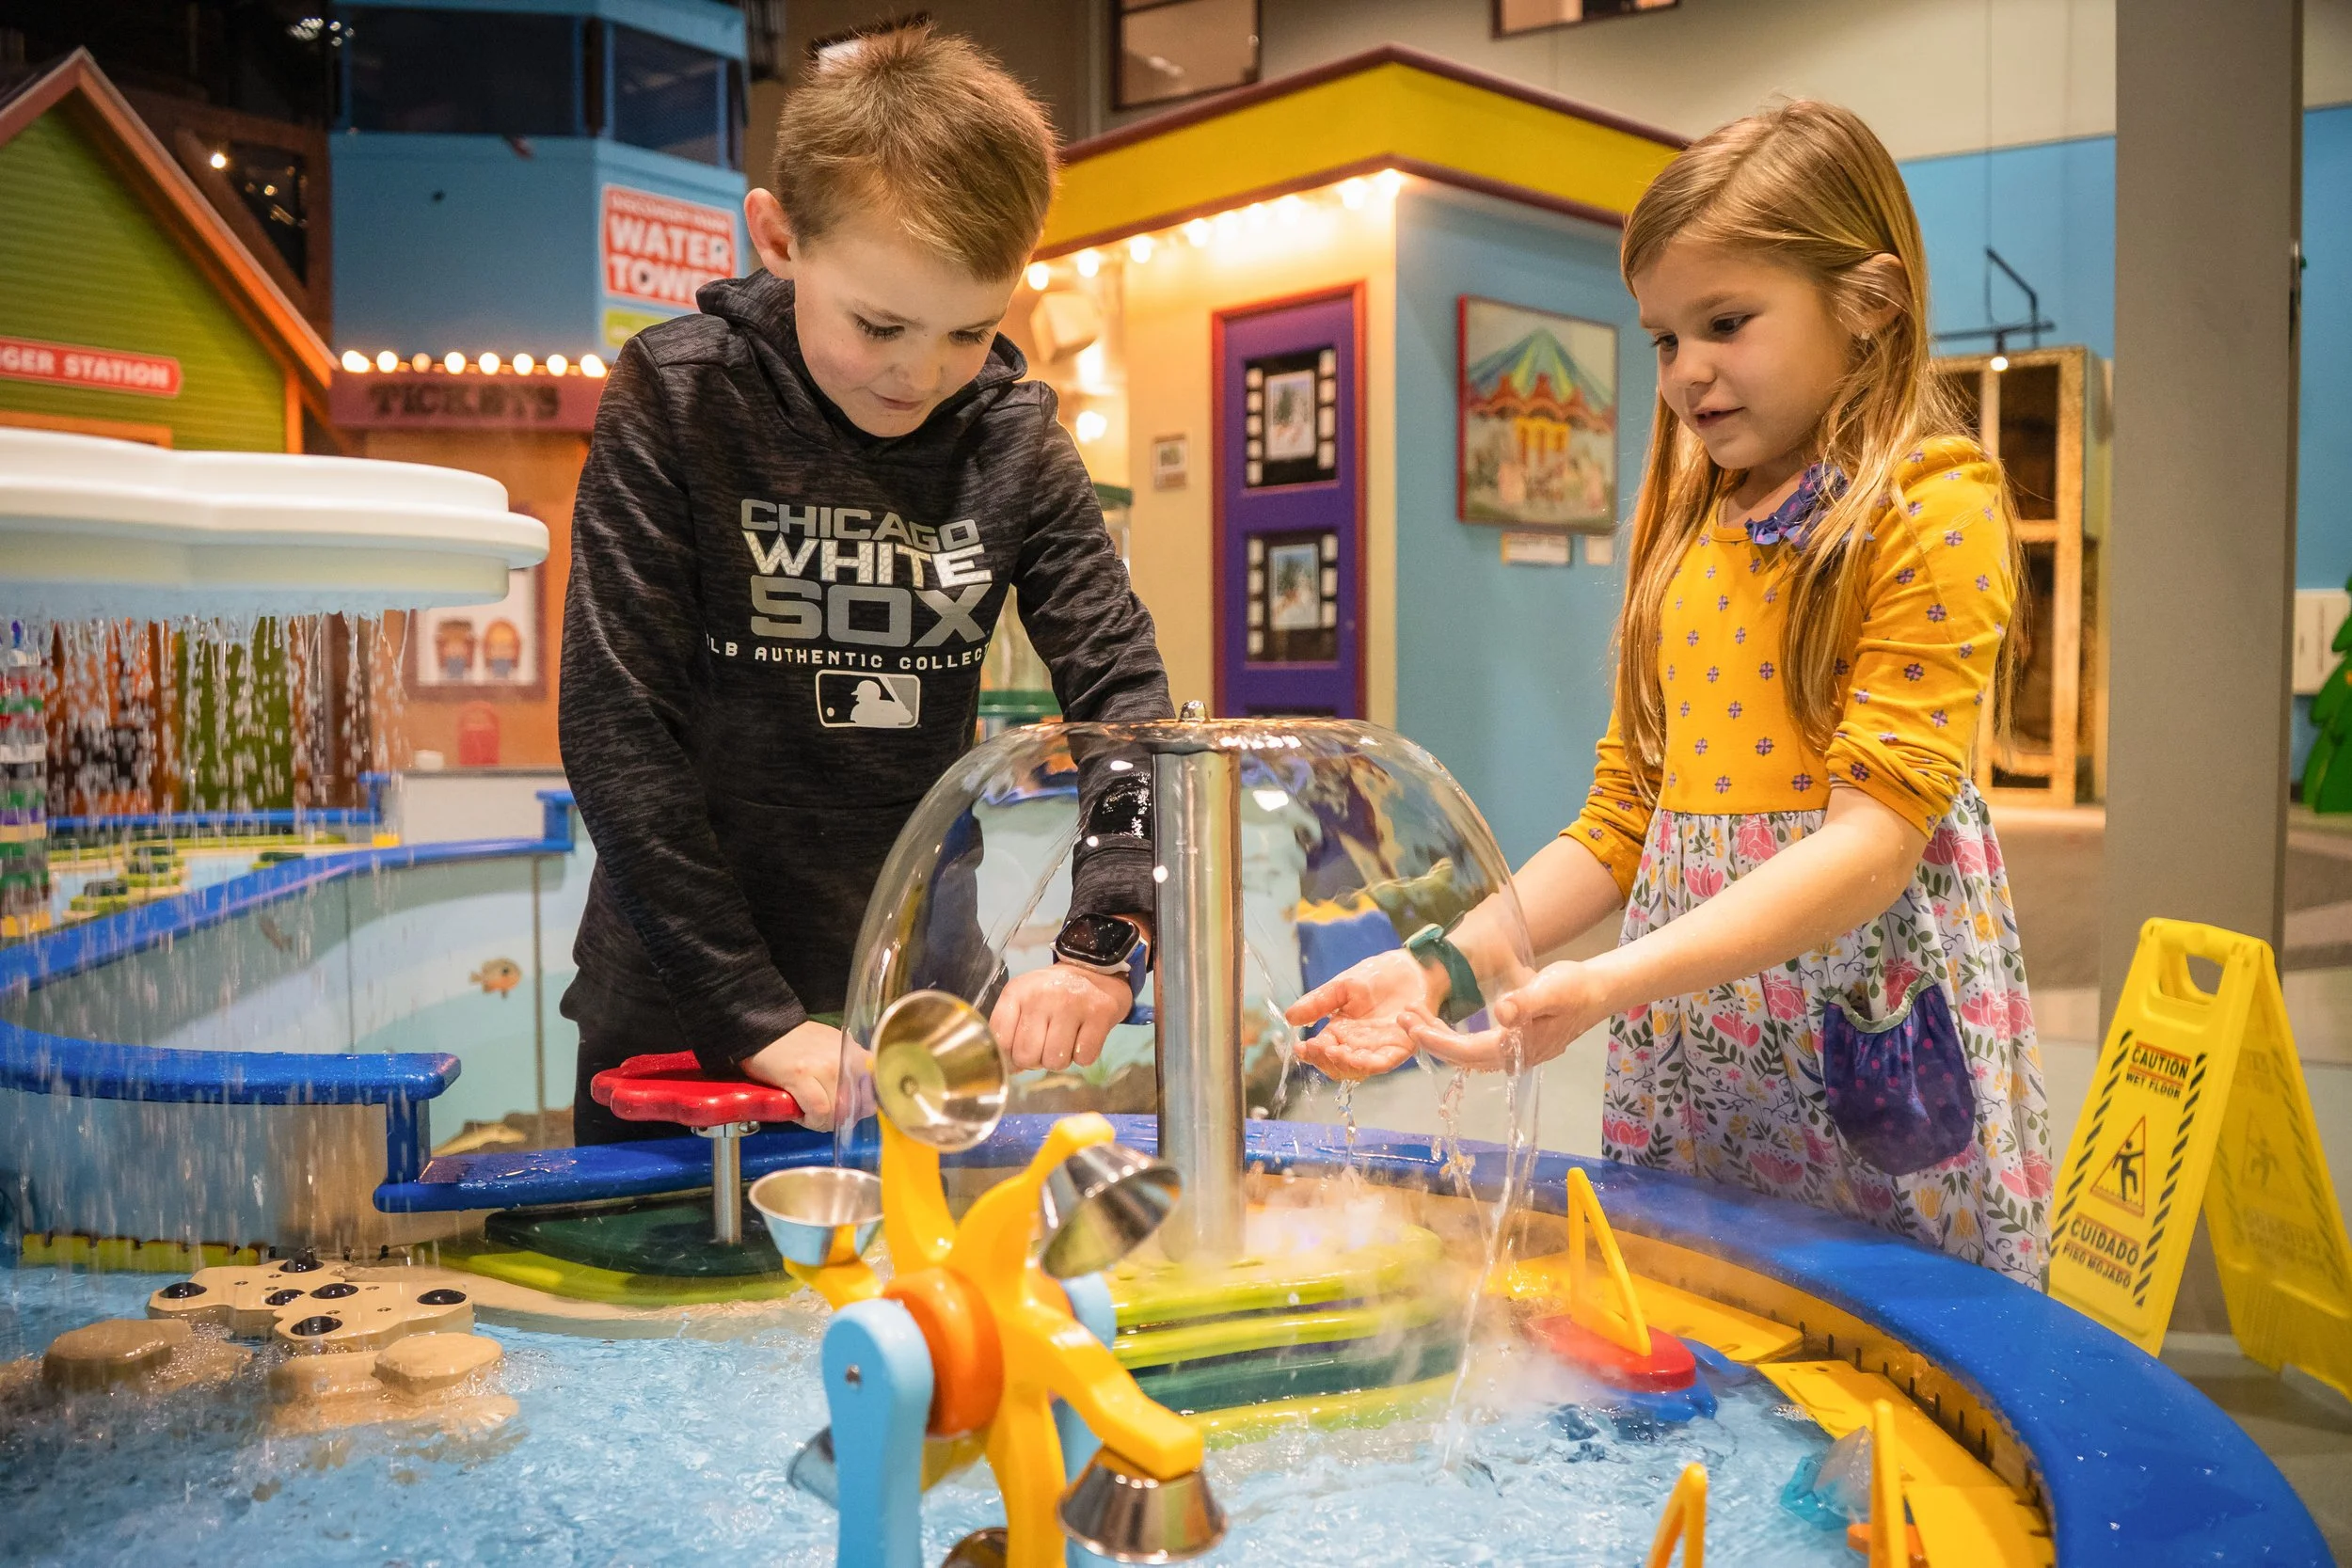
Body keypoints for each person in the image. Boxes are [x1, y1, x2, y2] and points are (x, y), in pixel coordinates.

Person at [1289, 101, 2051, 1285]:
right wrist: (1442, 958)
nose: (1687, 370)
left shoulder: (1928, 505)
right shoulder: (1688, 526)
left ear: (1871, 301)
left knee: (1893, 1332)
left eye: (1727, 321)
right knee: (1705, 1316)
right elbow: (1621, 822)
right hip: (1697, 1045)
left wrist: (1603, 981)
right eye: (1663, 338)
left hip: (1863, 1028)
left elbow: (1870, 848)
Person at [560, 25, 1169, 1142]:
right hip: (679, 1007)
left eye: (970, 331)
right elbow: (617, 724)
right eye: (880, 324)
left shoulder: (1014, 438)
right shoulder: (679, 396)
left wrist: (1109, 933)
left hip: (922, 997)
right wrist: (754, 1018)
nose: (921, 373)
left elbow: (1120, 689)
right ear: (780, 236)